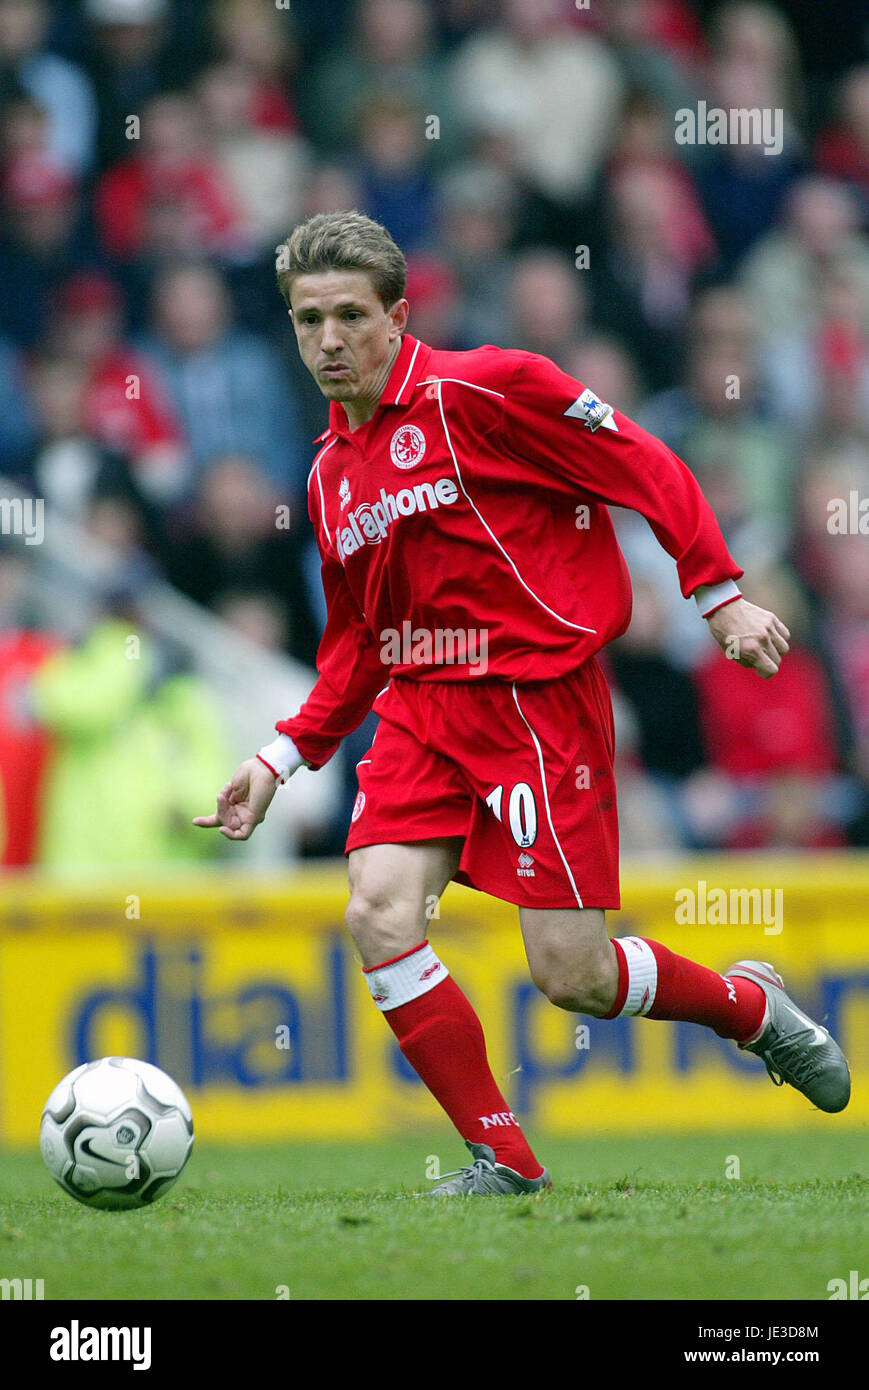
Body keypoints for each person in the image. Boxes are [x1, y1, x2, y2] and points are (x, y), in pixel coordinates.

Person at [194, 211, 850, 1195]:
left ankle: (745, 1009)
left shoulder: (488, 388)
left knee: (572, 974)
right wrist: (279, 759)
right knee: (376, 912)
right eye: (305, 320)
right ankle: (503, 1160)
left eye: (346, 316)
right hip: (421, 713)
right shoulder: (330, 478)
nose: (326, 341)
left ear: (396, 314)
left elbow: (644, 462)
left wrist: (716, 597)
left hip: (536, 704)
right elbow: (356, 645)